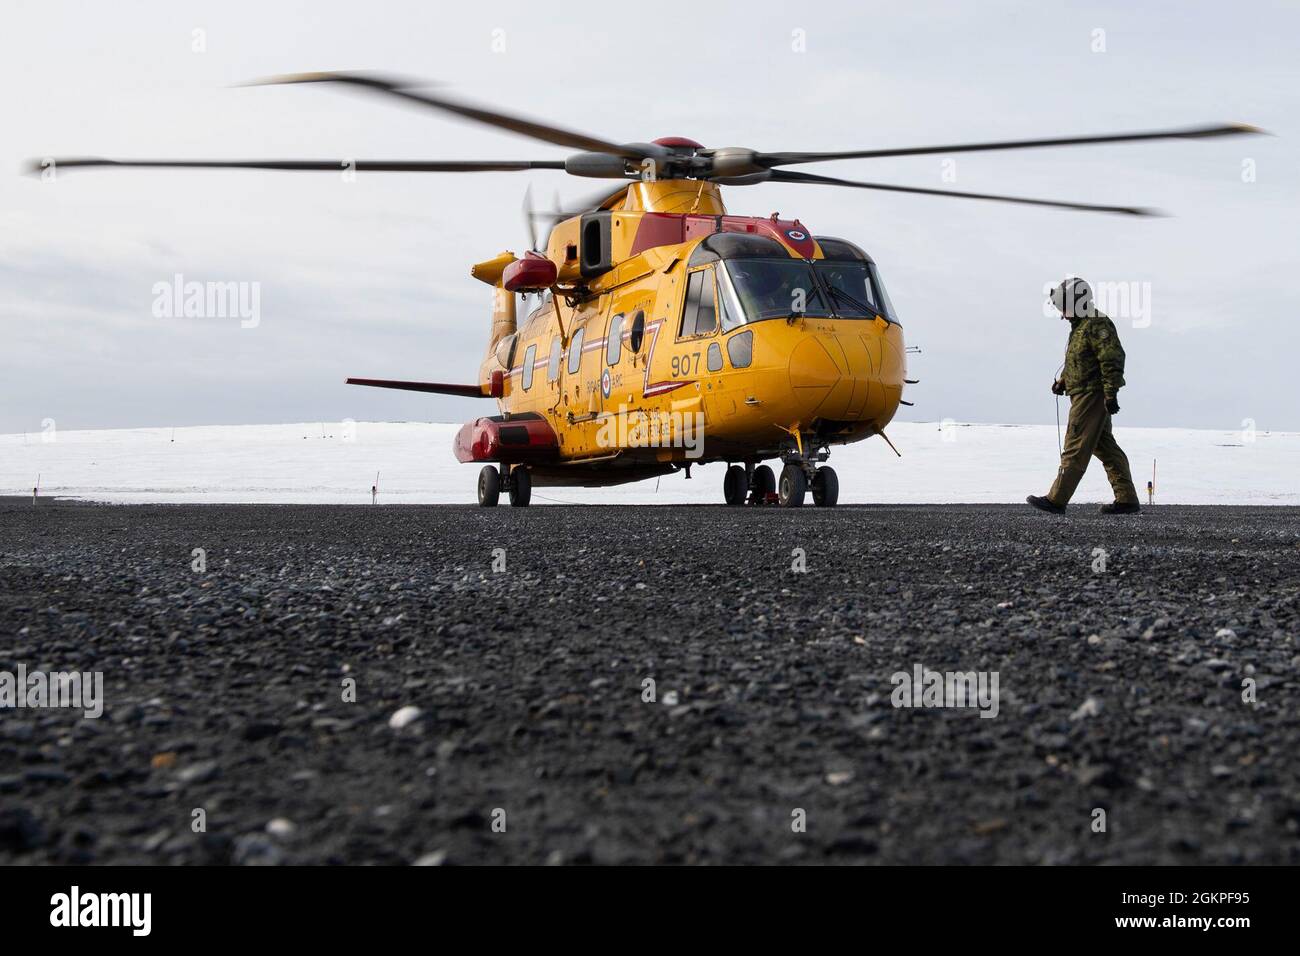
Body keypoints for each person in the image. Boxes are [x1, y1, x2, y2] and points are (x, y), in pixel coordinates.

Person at [1027, 277, 1141, 515]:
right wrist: (1063, 383)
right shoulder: (1080, 327)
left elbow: (1112, 359)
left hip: (1091, 396)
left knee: (1075, 445)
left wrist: (1110, 394)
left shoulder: (1097, 324)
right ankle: (1127, 499)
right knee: (1106, 448)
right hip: (1083, 393)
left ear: (1077, 302)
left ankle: (1056, 500)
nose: (1061, 314)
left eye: (1063, 307)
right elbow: (1081, 362)